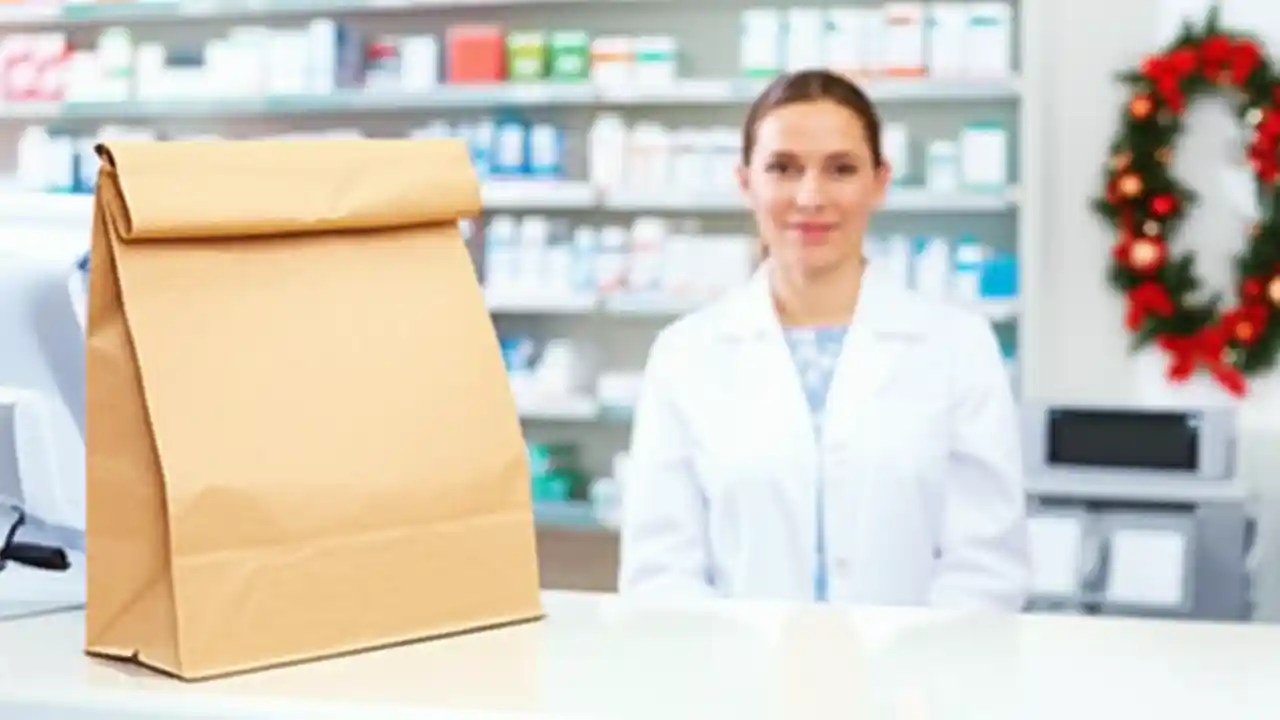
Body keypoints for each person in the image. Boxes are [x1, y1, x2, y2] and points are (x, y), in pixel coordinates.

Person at [617, 70, 1030, 612]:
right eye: (783, 169)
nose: (810, 197)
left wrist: (913, 682)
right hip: (737, 686)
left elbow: (986, 566)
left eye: (840, 169)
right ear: (746, 183)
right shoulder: (684, 355)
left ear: (879, 182)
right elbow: (660, 573)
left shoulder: (957, 347)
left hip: (913, 688)